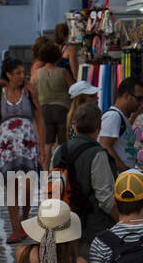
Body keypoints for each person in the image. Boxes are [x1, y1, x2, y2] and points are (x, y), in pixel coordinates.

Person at [0, 57, 47, 243]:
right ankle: (15, 228)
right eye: (18, 73)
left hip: (27, 143)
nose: (22, 76)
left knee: (29, 184)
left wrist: (42, 145)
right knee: (12, 186)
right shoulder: (0, 94)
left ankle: (24, 218)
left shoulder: (29, 91)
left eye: (23, 72)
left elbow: (39, 118)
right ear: (8, 74)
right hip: (7, 146)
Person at [50, 102, 117, 255]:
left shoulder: (60, 151)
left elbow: (53, 191)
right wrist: (125, 223)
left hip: (65, 230)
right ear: (98, 127)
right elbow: (105, 199)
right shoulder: (98, 154)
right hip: (91, 232)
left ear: (75, 125)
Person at [99, 78, 143, 173]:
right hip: (117, 179)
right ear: (126, 96)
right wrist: (127, 172)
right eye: (139, 99)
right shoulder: (113, 116)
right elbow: (105, 146)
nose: (141, 103)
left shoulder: (121, 118)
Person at [34, 41, 73, 147]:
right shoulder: (63, 71)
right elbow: (73, 89)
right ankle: (61, 162)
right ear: (57, 56)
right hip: (62, 108)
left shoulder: (37, 73)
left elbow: (32, 90)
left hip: (44, 109)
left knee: (47, 143)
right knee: (62, 143)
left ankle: (46, 164)